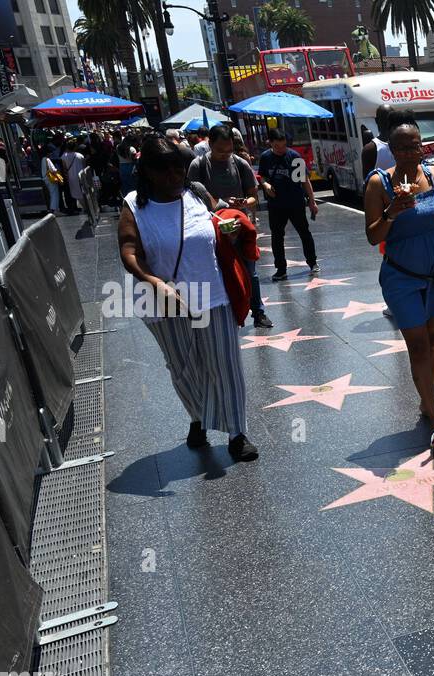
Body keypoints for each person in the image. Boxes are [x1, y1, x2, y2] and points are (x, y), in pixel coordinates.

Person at [117, 135, 257, 462]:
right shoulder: (135, 205)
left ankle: (237, 433)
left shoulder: (195, 192)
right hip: (164, 302)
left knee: (226, 366)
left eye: (178, 170)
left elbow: (221, 218)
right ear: (147, 172)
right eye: (165, 171)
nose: (174, 177)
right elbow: (128, 250)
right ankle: (199, 418)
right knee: (183, 368)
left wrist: (230, 229)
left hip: (212, 294)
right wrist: (152, 281)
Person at [364, 123, 434, 450]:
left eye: (417, 146)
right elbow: (372, 236)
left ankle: (427, 401)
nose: (413, 152)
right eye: (405, 147)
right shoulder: (379, 184)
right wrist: (392, 212)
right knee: (419, 345)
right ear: (393, 150)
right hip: (400, 278)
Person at [190, 124, 270, 328]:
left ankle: (258, 312)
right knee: (221, 271)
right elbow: (193, 200)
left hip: (239, 225)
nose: (225, 154)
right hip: (212, 228)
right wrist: (222, 203)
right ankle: (228, 314)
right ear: (209, 143)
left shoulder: (241, 164)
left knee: (250, 271)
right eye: (220, 150)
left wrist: (244, 203)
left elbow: (253, 197)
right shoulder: (198, 166)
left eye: (229, 150)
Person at [258, 128, 319, 281]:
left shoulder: (294, 157)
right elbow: (262, 176)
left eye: (284, 145)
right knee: (277, 236)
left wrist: (312, 201)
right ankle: (281, 268)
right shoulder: (265, 157)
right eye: (277, 146)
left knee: (304, 232)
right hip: (276, 204)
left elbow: (304, 180)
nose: (281, 149)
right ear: (270, 143)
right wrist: (265, 185)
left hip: (295, 202)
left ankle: (312, 262)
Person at [361, 105, 394, 174]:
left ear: (376, 120)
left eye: (390, 119)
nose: (387, 122)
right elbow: (368, 180)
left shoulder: (402, 145)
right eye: (384, 119)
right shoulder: (371, 149)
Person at [61, 138, 86, 215]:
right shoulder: (80, 155)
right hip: (81, 176)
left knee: (76, 194)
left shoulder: (63, 156)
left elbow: (64, 168)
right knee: (84, 192)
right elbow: (84, 166)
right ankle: (87, 207)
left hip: (71, 177)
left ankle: (85, 207)